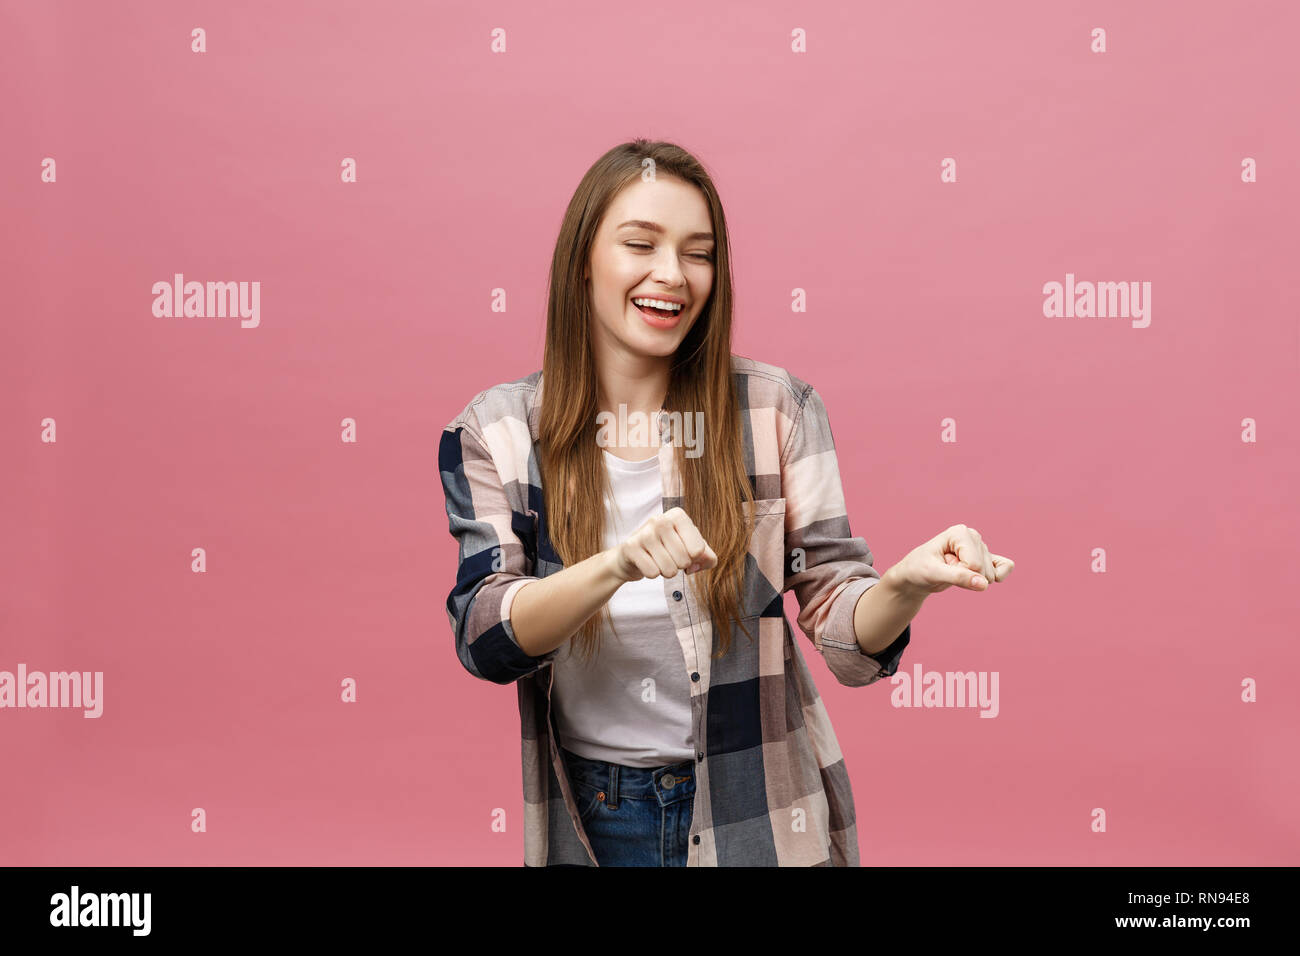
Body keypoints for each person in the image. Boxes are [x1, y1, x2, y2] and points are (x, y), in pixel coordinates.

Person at [438, 138, 1014, 867]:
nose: (672, 275)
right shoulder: (495, 431)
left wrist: (903, 585)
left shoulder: (776, 411)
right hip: (592, 820)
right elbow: (487, 637)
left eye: (698, 252)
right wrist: (614, 566)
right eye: (640, 244)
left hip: (764, 813)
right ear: (583, 259)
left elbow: (845, 637)